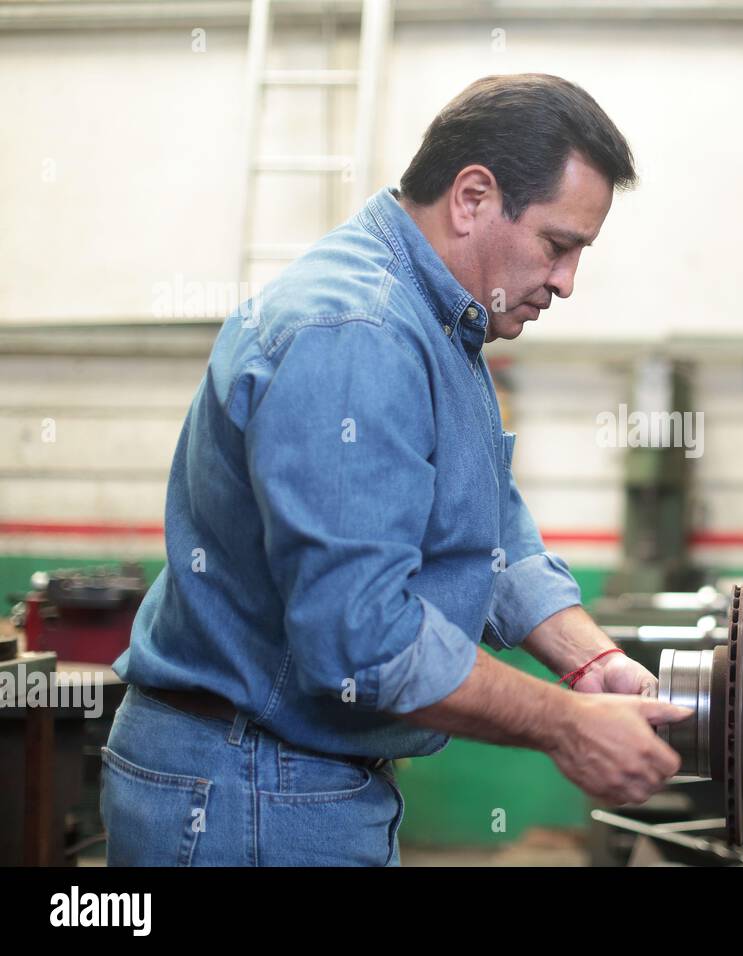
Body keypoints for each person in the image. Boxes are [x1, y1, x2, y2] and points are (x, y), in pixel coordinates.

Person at [100, 73, 692, 866]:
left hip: (292, 779)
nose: (565, 282)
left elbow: (491, 530)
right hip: (244, 791)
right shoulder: (358, 334)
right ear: (473, 197)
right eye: (558, 246)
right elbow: (363, 641)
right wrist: (564, 725)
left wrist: (593, 661)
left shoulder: (441, 324)